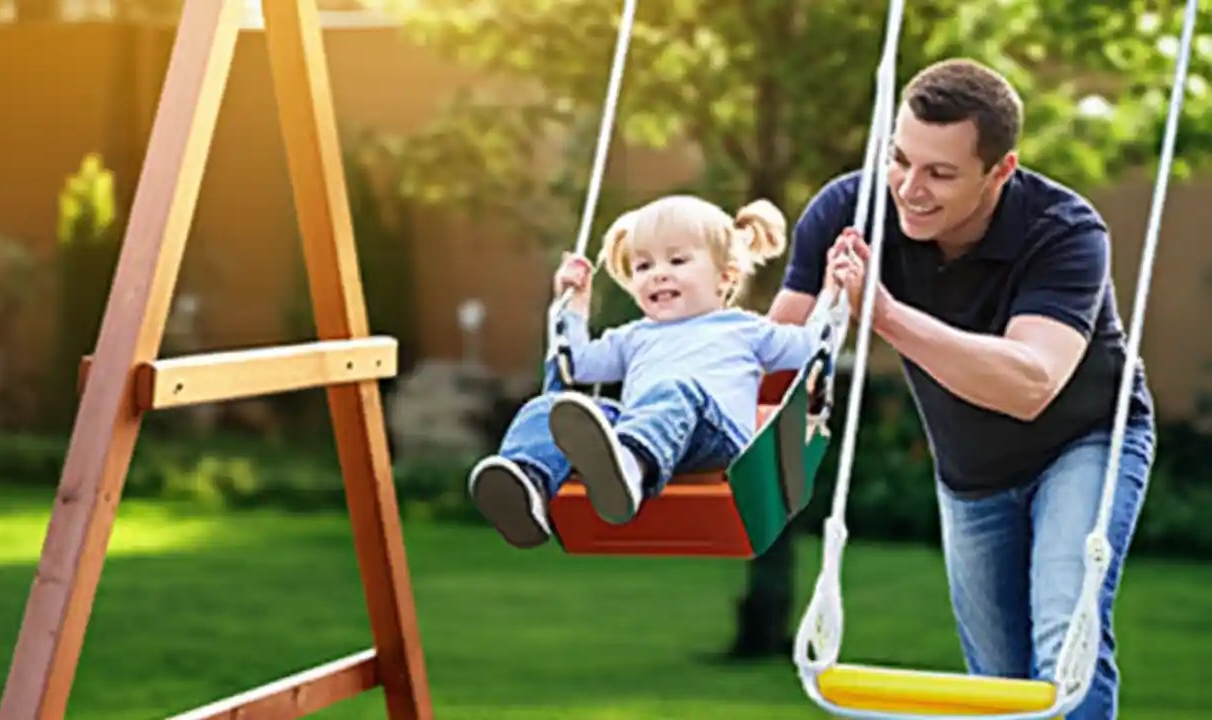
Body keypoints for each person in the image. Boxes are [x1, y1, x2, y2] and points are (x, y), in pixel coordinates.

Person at [770, 58, 1155, 719]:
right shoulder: (849, 210)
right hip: (971, 471)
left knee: (1064, 650)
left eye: (940, 173)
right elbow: (773, 362)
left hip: (1081, 445)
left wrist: (883, 314)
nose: (909, 189)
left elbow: (1029, 384)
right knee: (997, 682)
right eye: (900, 160)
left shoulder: (1064, 231)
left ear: (1000, 171)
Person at [468, 194, 825, 547]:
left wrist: (835, 292)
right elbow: (576, 365)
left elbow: (812, 348)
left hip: (717, 436)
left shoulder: (745, 329)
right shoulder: (634, 336)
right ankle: (530, 485)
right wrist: (573, 303)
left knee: (675, 391)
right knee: (551, 408)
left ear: (725, 278)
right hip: (643, 429)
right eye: (644, 266)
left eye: (677, 260)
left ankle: (628, 468)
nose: (658, 275)